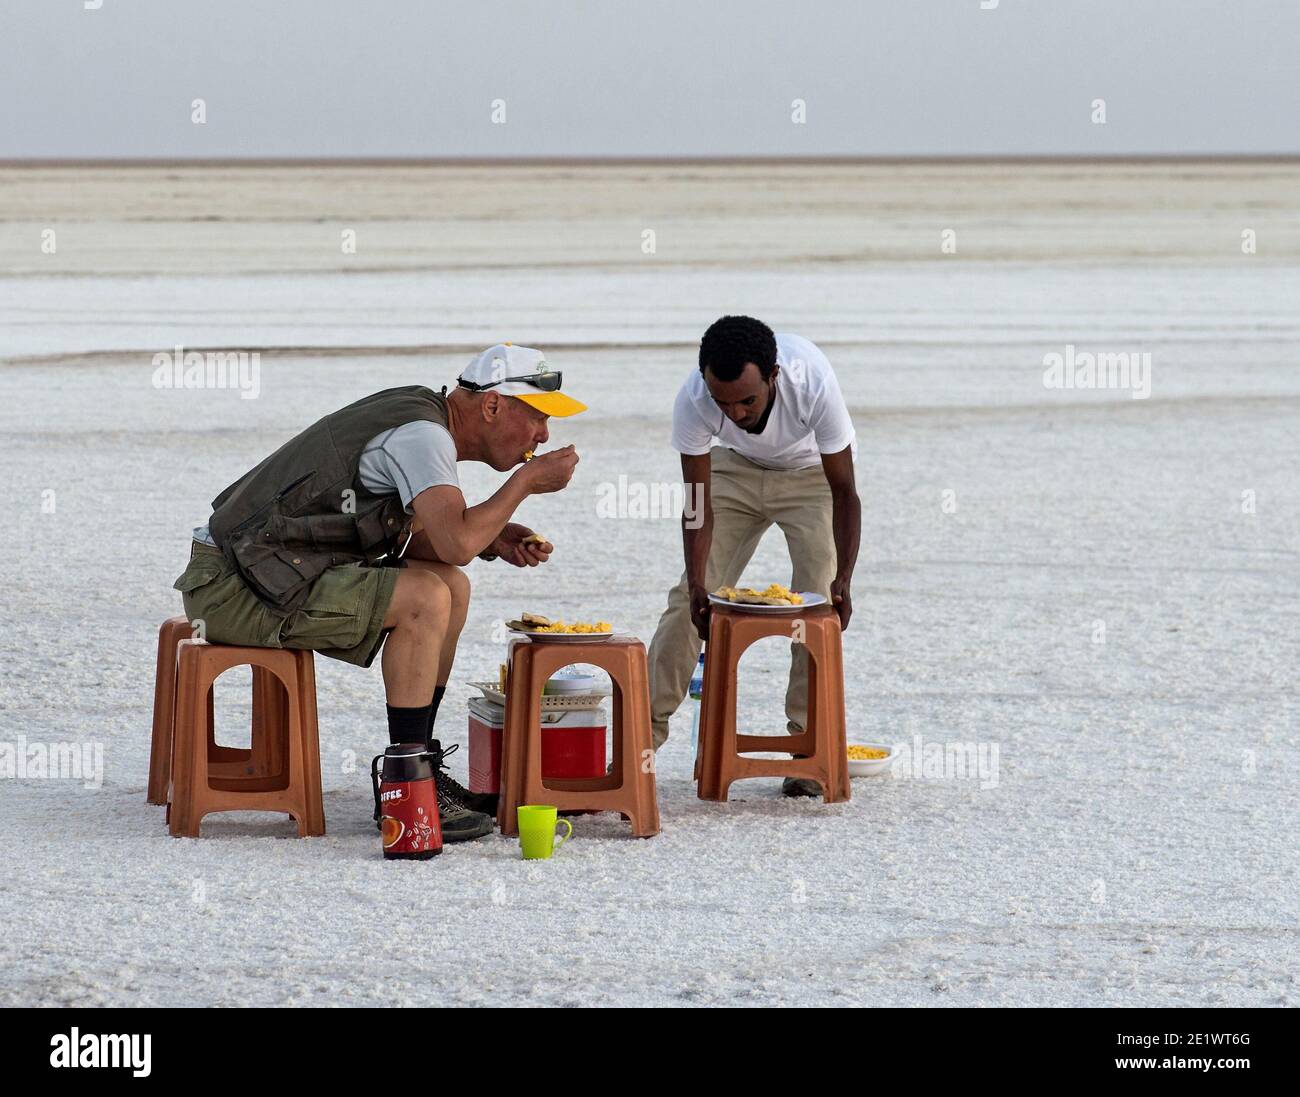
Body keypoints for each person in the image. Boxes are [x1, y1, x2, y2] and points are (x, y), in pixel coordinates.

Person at [172, 343, 584, 840]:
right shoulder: (424, 436)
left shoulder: (423, 416)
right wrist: (524, 482)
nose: (544, 436)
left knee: (451, 586)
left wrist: (492, 537)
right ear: (493, 406)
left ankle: (422, 769)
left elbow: (432, 540)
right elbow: (454, 542)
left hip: (267, 572)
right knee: (425, 597)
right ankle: (405, 783)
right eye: (539, 418)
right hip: (231, 587)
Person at [646, 315, 860, 796]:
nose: (737, 414)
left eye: (748, 400)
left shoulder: (813, 381)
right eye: (724, 404)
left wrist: (844, 578)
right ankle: (643, 737)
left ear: (773, 377)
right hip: (735, 472)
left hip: (810, 477)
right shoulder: (694, 400)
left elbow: (845, 492)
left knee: (815, 603)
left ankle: (807, 750)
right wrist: (702, 584)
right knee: (687, 600)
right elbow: (697, 505)